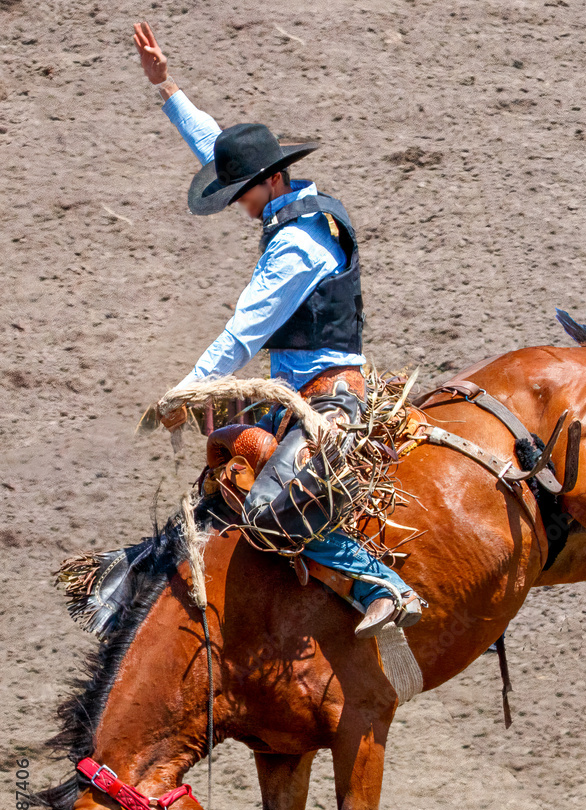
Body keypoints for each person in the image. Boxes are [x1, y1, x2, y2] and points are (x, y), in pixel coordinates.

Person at [133, 21, 422, 638]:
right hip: (294, 395)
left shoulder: (297, 245)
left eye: (242, 193)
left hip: (328, 401)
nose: (238, 204)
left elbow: (245, 332)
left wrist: (189, 390)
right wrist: (167, 88)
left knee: (266, 510)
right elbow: (217, 148)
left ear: (272, 181)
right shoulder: (291, 206)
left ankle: (381, 584)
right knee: (222, 462)